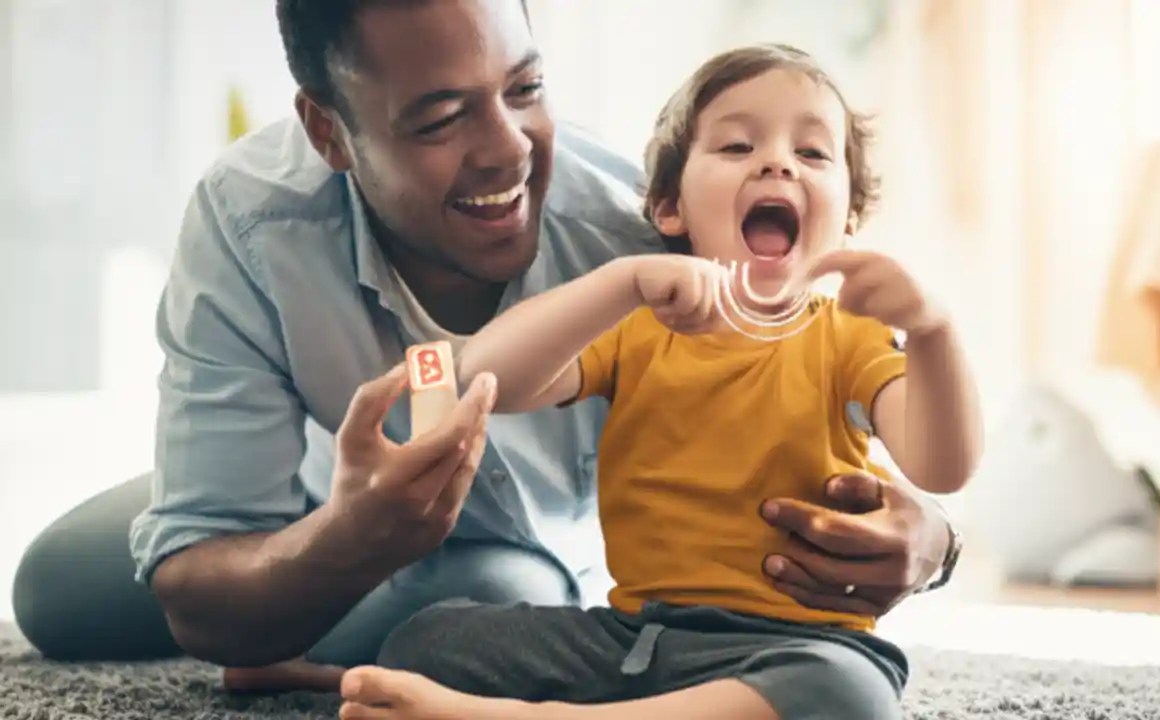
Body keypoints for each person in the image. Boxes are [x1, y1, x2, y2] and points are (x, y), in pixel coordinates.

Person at [11, 0, 963, 686]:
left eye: (526, 88)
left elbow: (882, 422)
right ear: (328, 131)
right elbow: (472, 380)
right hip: (313, 496)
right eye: (439, 116)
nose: (508, 148)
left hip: (529, 566)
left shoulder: (650, 229)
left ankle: (317, 646)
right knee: (53, 596)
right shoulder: (252, 223)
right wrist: (342, 538)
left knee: (500, 582)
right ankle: (313, 609)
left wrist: (937, 537)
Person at [333, 43, 982, 720]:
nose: (777, 161)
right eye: (736, 146)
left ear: (848, 219)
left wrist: (933, 331)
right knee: (424, 640)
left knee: (848, 692)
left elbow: (943, 465)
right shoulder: (639, 326)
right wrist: (619, 283)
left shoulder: (849, 336)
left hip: (793, 646)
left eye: (814, 154)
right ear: (669, 207)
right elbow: (486, 376)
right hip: (632, 642)